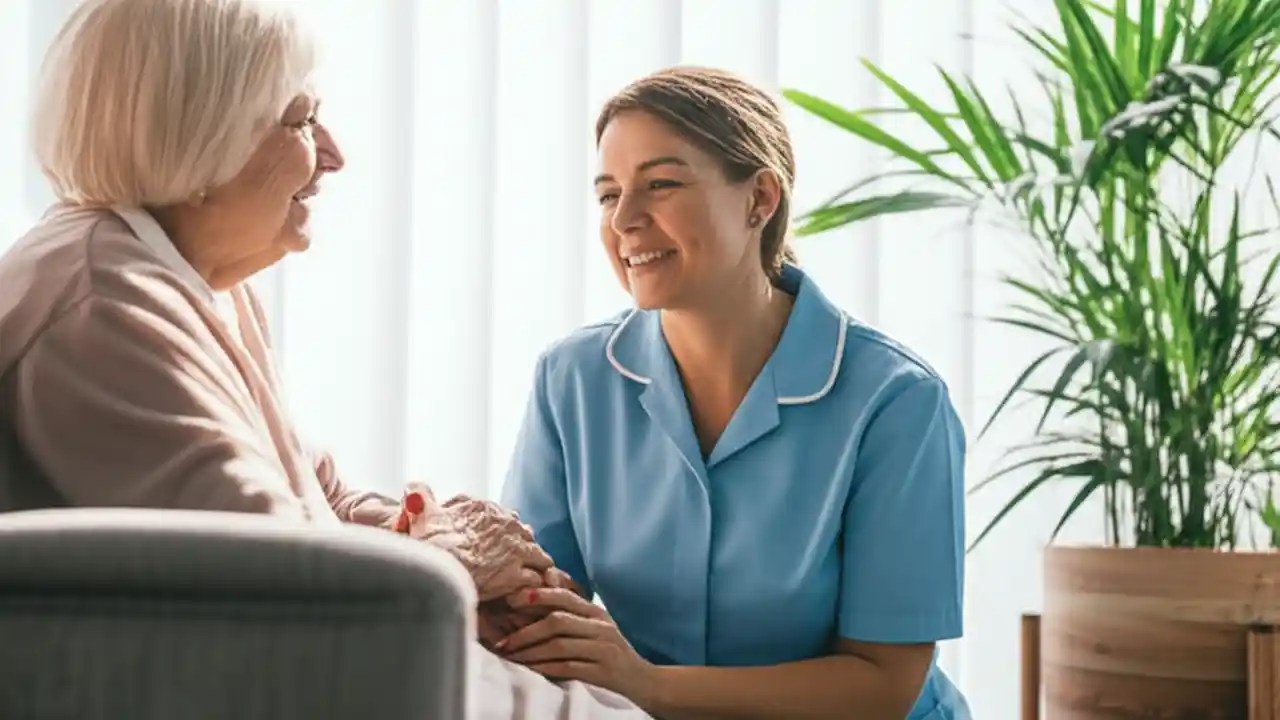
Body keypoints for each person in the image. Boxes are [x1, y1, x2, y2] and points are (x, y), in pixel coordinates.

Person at [0, 1, 651, 717]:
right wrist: (452, 563)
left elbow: (320, 497)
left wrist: (439, 542)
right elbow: (280, 588)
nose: (333, 154)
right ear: (199, 139)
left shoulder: (195, 281)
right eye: (302, 121)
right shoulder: (104, 303)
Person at [499, 66, 971, 719]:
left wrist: (650, 685)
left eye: (660, 184)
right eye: (608, 195)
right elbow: (533, 611)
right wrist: (448, 558)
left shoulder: (897, 403)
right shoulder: (571, 380)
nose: (625, 219)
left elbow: (883, 684)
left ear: (760, 199)